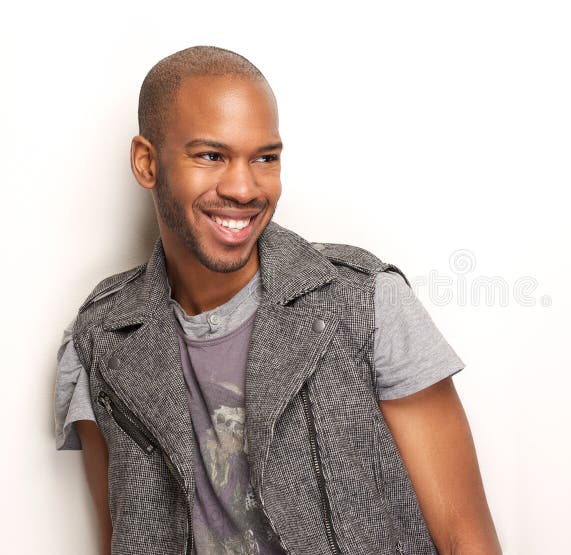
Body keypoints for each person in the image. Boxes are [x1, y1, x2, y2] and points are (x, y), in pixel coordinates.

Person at [53, 45, 501, 555]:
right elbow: (119, 538)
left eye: (264, 158)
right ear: (147, 162)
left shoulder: (364, 301)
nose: (245, 188)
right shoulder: (101, 339)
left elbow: (465, 535)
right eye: (210, 155)